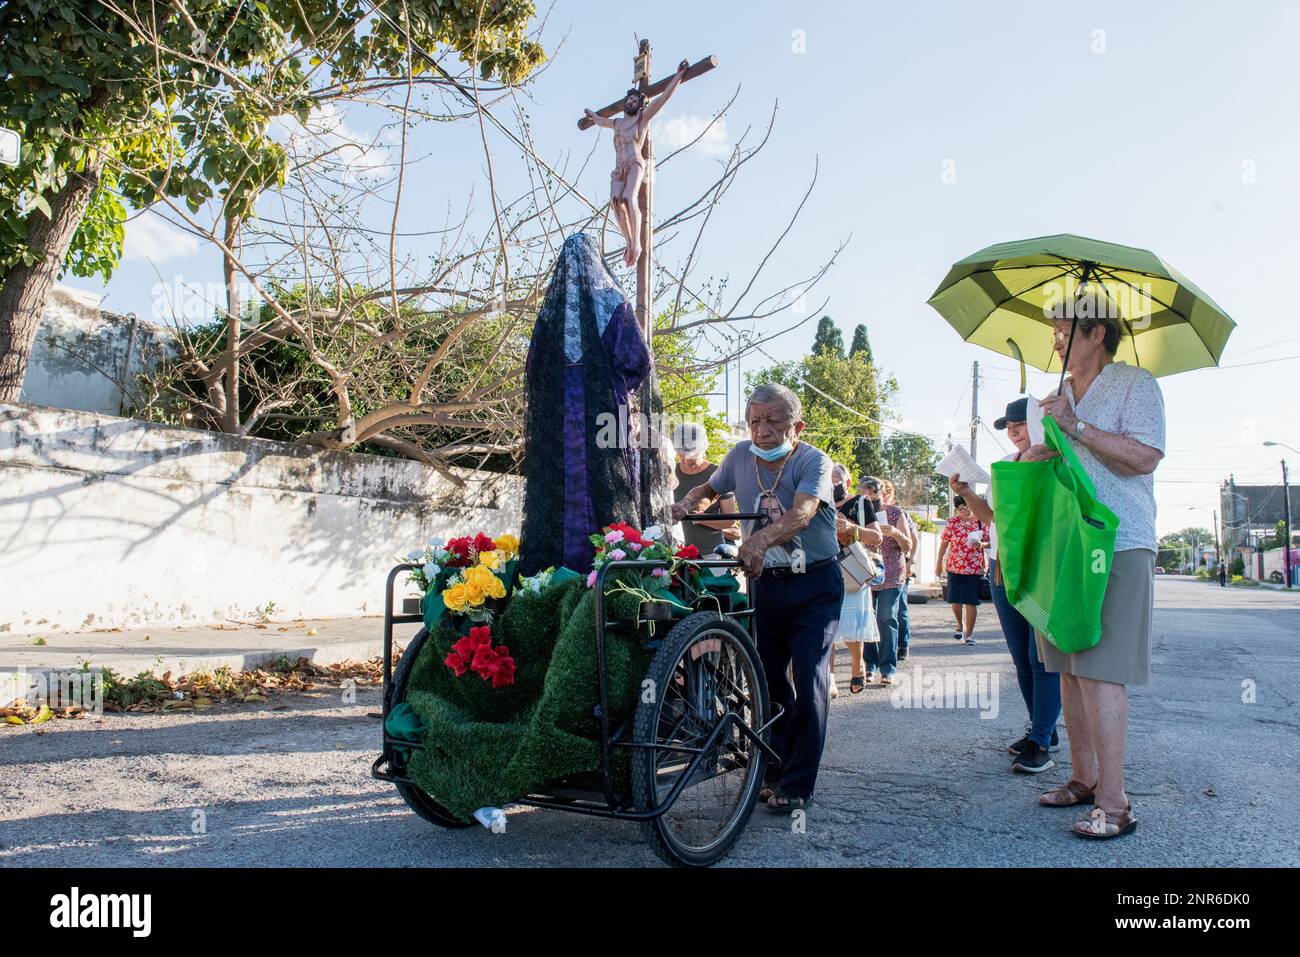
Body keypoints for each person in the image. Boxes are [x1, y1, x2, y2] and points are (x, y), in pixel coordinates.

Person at [1025, 307, 1165, 840]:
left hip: (1118, 539)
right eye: (1054, 333)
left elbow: (1146, 457)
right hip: (1062, 543)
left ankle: (1116, 801)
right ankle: (1082, 779)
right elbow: (1066, 459)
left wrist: (1077, 427)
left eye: (1063, 332)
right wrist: (1040, 453)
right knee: (1067, 664)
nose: (1056, 342)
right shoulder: (1057, 395)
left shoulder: (1135, 384)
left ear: (1097, 332)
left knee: (1101, 667)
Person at [670, 383, 842, 813]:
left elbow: (803, 513)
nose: (761, 431)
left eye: (772, 421)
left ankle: (799, 783)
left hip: (814, 583)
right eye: (754, 421)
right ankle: (775, 766)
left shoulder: (814, 461)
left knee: (810, 676)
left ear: (796, 426)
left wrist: (760, 541)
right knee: (766, 679)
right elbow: (709, 488)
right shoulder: (739, 455)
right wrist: (687, 502)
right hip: (767, 585)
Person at [950, 397, 1062, 774]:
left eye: (1019, 423)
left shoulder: (1056, 461)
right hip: (1001, 565)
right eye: (1008, 427)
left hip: (1040, 565)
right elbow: (992, 519)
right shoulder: (1004, 468)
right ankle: (1041, 728)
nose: (1013, 431)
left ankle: (1042, 739)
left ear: (1038, 421)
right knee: (1021, 656)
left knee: (1041, 656)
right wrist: (966, 492)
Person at [584, 59, 690, 267]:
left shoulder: (642, 118)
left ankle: (637, 245)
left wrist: (678, 76)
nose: (632, 103)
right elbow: (600, 121)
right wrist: (592, 116)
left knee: (627, 197)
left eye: (635, 101)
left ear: (640, 105)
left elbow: (664, 98)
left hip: (634, 163)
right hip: (619, 169)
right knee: (615, 201)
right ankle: (628, 241)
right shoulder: (616, 123)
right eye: (630, 100)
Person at [831, 463, 882, 695]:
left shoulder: (861, 503)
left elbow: (877, 537)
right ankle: (828, 677)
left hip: (854, 568)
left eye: (835, 480)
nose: (832, 485)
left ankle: (857, 666)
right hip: (827, 567)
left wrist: (851, 528)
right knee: (826, 625)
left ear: (847, 482)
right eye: (827, 480)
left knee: (852, 622)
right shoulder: (820, 504)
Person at [863, 475, 915, 686]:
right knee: (867, 619)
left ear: (882, 494)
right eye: (864, 494)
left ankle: (888, 668)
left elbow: (908, 546)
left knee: (886, 618)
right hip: (866, 572)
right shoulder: (858, 511)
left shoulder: (895, 513)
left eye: (874, 493)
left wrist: (894, 532)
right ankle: (870, 666)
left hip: (892, 572)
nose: (869, 497)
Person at [671, 421, 739, 553]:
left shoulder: (718, 473)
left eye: (692, 453)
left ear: (703, 448)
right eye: (682, 453)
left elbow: (730, 521)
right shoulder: (670, 473)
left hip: (712, 553)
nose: (686, 459)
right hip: (677, 554)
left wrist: (700, 519)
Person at [936, 495, 988, 644]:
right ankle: (959, 623)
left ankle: (969, 635)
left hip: (974, 568)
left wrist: (982, 545)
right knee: (955, 600)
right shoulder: (953, 522)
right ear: (957, 510)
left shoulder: (981, 522)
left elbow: (991, 543)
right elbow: (944, 544)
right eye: (961, 508)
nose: (965, 510)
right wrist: (939, 563)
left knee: (971, 602)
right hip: (954, 566)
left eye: (967, 506)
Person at [880, 479, 918, 661]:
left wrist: (910, 562)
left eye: (886, 492)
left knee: (899, 609)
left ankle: (903, 644)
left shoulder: (899, 514)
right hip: (878, 571)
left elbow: (913, 541)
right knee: (884, 613)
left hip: (897, 567)